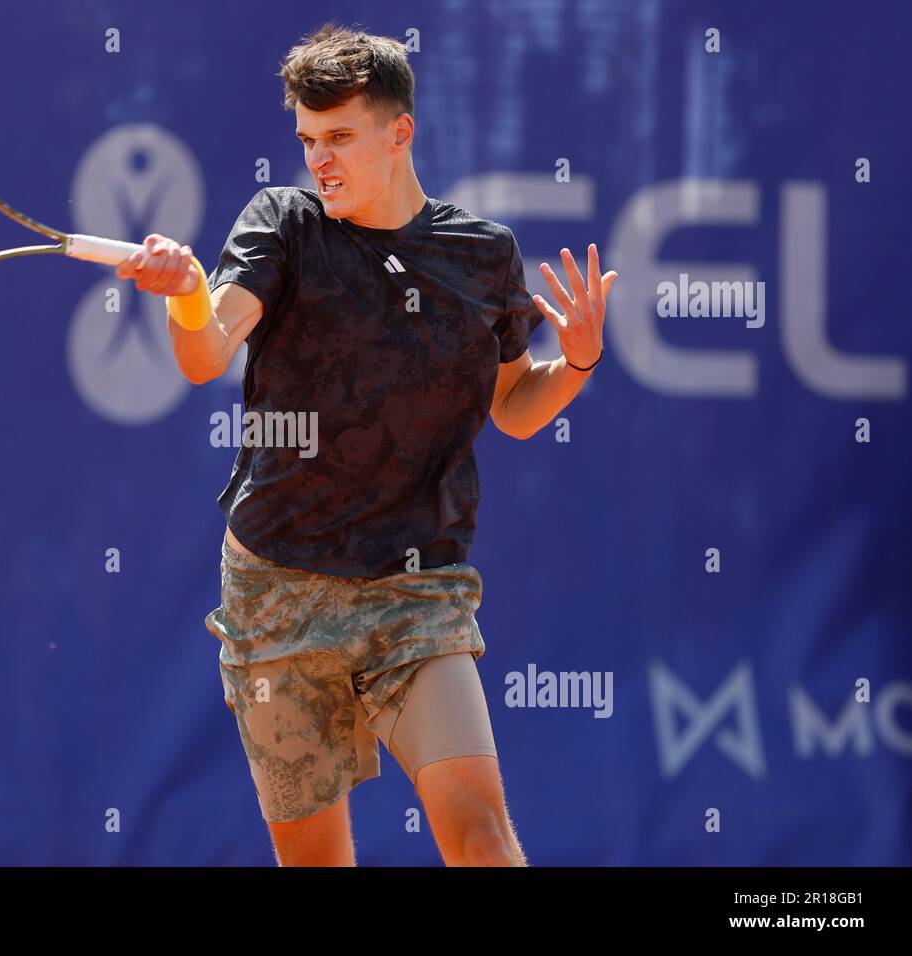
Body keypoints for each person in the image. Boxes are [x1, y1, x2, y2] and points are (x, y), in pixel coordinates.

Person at [115, 22, 617, 866]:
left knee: (482, 837)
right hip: (274, 592)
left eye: (341, 137)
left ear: (400, 132)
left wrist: (577, 360)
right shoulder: (284, 225)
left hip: (416, 595)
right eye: (310, 140)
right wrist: (186, 292)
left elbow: (519, 410)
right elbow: (203, 356)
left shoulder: (482, 255)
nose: (323, 160)